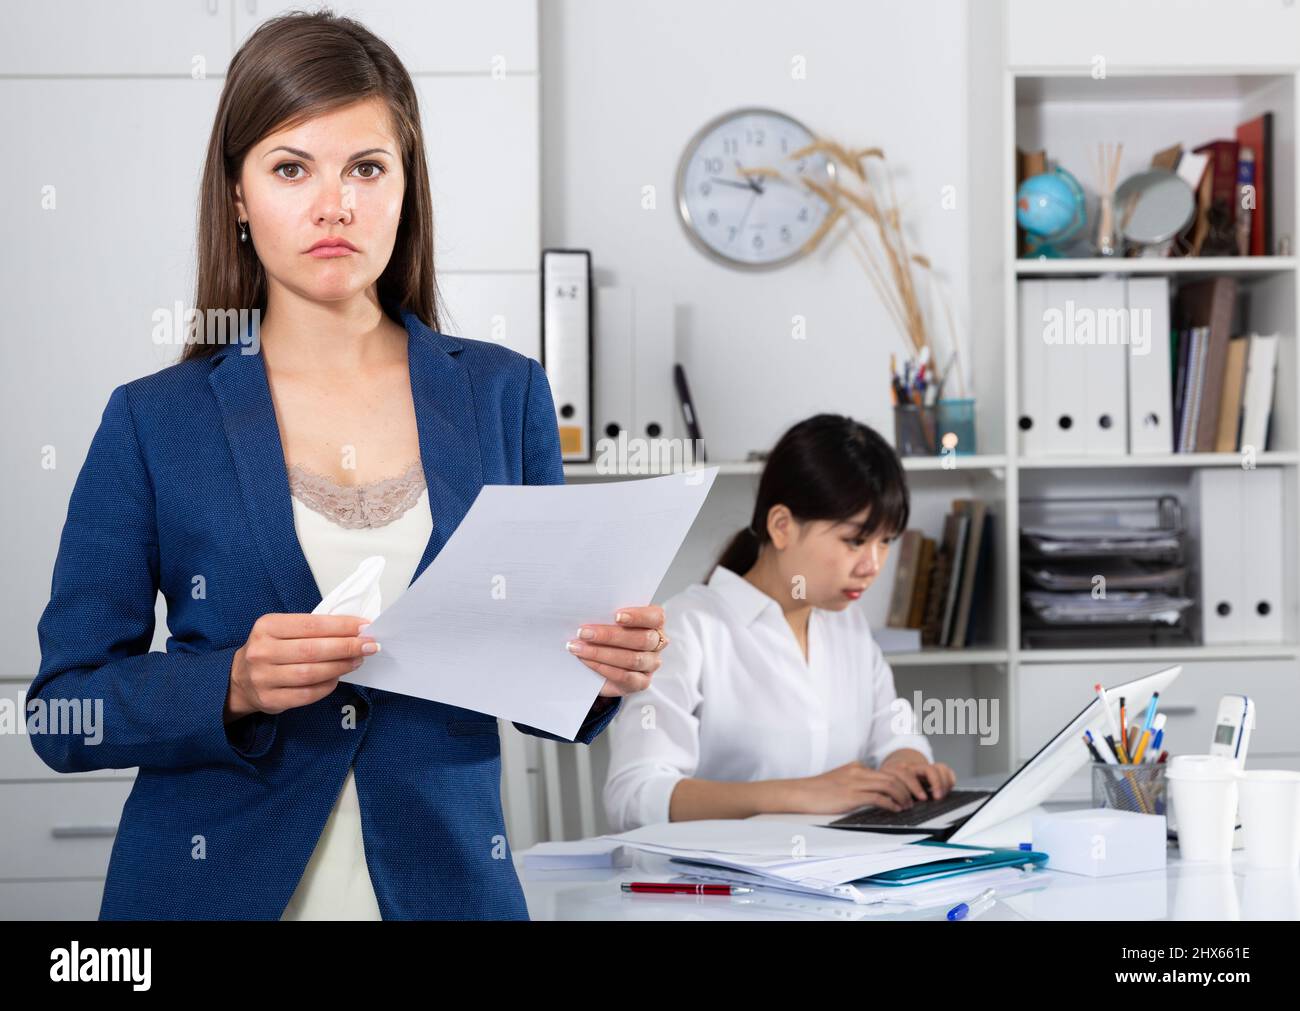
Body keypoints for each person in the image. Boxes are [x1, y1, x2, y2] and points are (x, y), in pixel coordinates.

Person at [31, 9, 668, 920]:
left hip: (447, 892)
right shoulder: (152, 421)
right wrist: (234, 684)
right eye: (292, 168)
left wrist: (600, 669)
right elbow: (63, 711)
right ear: (239, 196)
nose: (335, 205)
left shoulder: (503, 395)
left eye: (367, 168)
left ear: (407, 186)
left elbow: (537, 681)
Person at [603, 414, 956, 832]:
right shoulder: (689, 627)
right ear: (782, 526)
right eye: (855, 540)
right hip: (712, 885)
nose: (872, 565)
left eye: (885, 542)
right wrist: (796, 794)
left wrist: (909, 765)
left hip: (835, 874)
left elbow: (892, 731)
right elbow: (634, 795)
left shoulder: (847, 626)